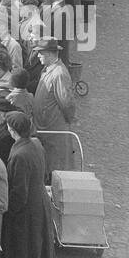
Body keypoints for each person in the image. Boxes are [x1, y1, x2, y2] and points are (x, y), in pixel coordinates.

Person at [1, 112, 51, 258]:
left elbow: (19, 192)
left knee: (26, 251)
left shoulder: (19, 155)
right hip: (40, 204)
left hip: (26, 213)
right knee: (40, 251)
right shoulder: (36, 144)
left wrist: (10, 212)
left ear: (12, 130)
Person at [32, 38, 76, 171]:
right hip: (45, 128)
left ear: (50, 54)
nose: (38, 56)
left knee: (55, 166)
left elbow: (66, 103)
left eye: (41, 53)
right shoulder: (48, 69)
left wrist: (67, 120)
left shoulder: (59, 73)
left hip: (53, 129)